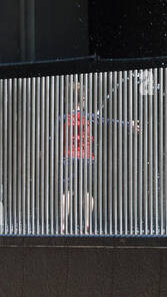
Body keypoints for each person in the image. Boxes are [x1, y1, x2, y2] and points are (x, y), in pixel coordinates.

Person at [57, 82, 140, 233]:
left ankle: (62, 225)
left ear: (65, 99)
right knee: (86, 191)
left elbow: (52, 138)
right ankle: (87, 223)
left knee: (67, 192)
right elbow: (111, 123)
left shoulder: (62, 118)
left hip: (68, 158)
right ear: (83, 100)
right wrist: (129, 125)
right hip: (88, 158)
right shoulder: (90, 117)